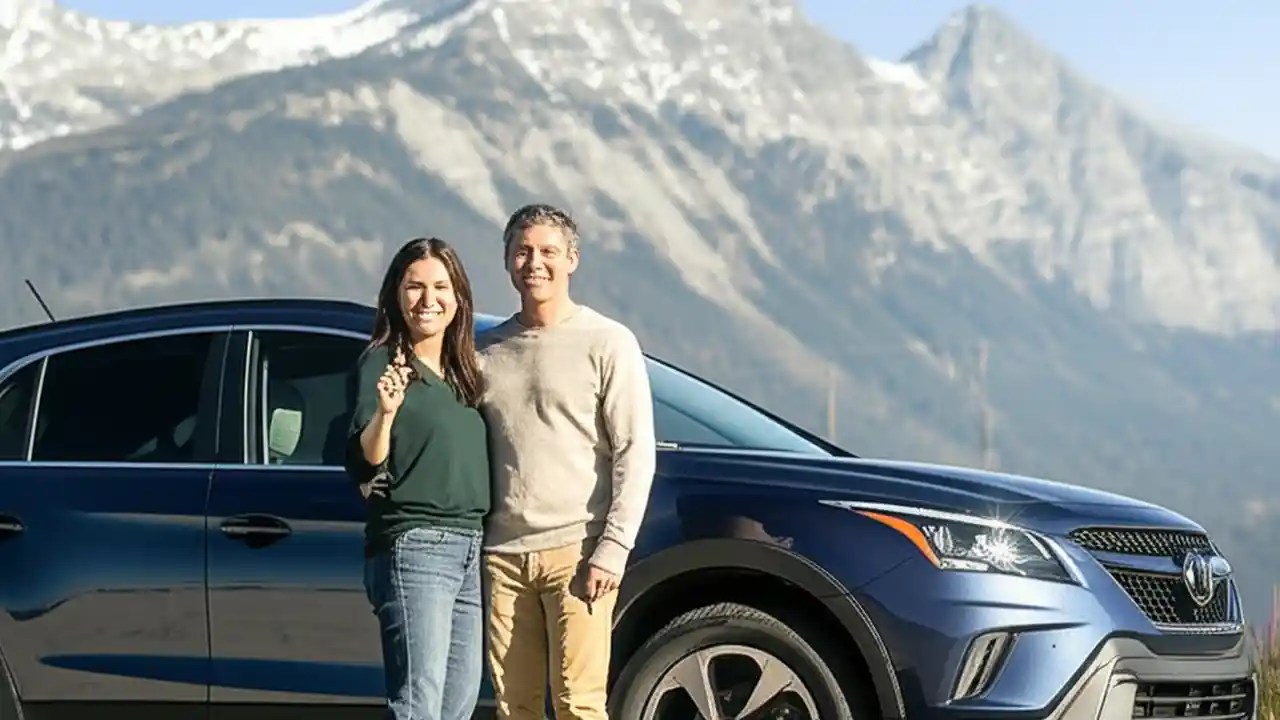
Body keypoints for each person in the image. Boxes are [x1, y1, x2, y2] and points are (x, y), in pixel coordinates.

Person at [477, 204, 657, 719]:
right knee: (515, 707)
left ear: (572, 260)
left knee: (579, 704)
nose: (535, 263)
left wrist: (612, 549)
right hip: (503, 556)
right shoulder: (485, 351)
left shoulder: (607, 342)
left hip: (577, 552)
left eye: (548, 252)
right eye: (523, 251)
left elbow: (634, 451)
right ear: (507, 261)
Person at [344, 237, 490, 720]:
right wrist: (386, 414)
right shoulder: (383, 362)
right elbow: (365, 461)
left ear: (459, 297)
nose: (428, 299)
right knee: (418, 704)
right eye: (414, 286)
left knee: (456, 706)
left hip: (470, 548)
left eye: (440, 286)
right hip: (416, 545)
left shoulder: (465, 371)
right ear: (396, 295)